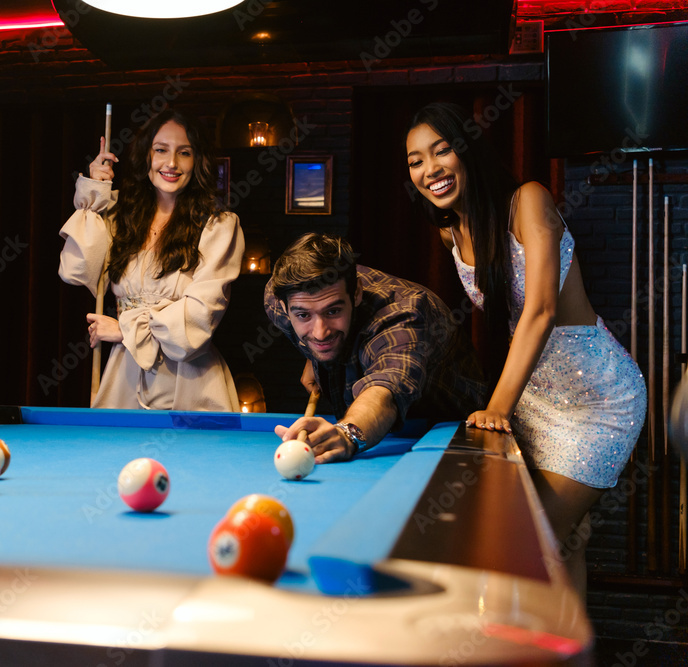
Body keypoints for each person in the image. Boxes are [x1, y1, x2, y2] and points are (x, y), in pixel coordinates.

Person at [404, 101, 646, 595]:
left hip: (598, 402)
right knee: (568, 541)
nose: (430, 170)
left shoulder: (528, 200)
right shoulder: (451, 233)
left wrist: (497, 407)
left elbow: (540, 311)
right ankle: (571, 639)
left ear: (467, 149)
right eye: (415, 161)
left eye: (441, 150)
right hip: (535, 398)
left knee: (527, 547)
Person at [58, 108, 244, 411]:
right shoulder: (118, 217)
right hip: (125, 377)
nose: (171, 163)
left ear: (197, 161)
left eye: (184, 152)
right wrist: (95, 194)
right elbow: (75, 270)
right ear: (146, 155)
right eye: (161, 150)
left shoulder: (219, 226)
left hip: (190, 382)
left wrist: (124, 330)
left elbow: (203, 312)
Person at [267, 232, 487, 462]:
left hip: (448, 432)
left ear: (356, 293)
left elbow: (385, 388)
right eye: (304, 315)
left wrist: (347, 434)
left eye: (333, 311)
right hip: (372, 423)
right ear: (284, 306)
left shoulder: (402, 315)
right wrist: (313, 353)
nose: (320, 331)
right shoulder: (277, 298)